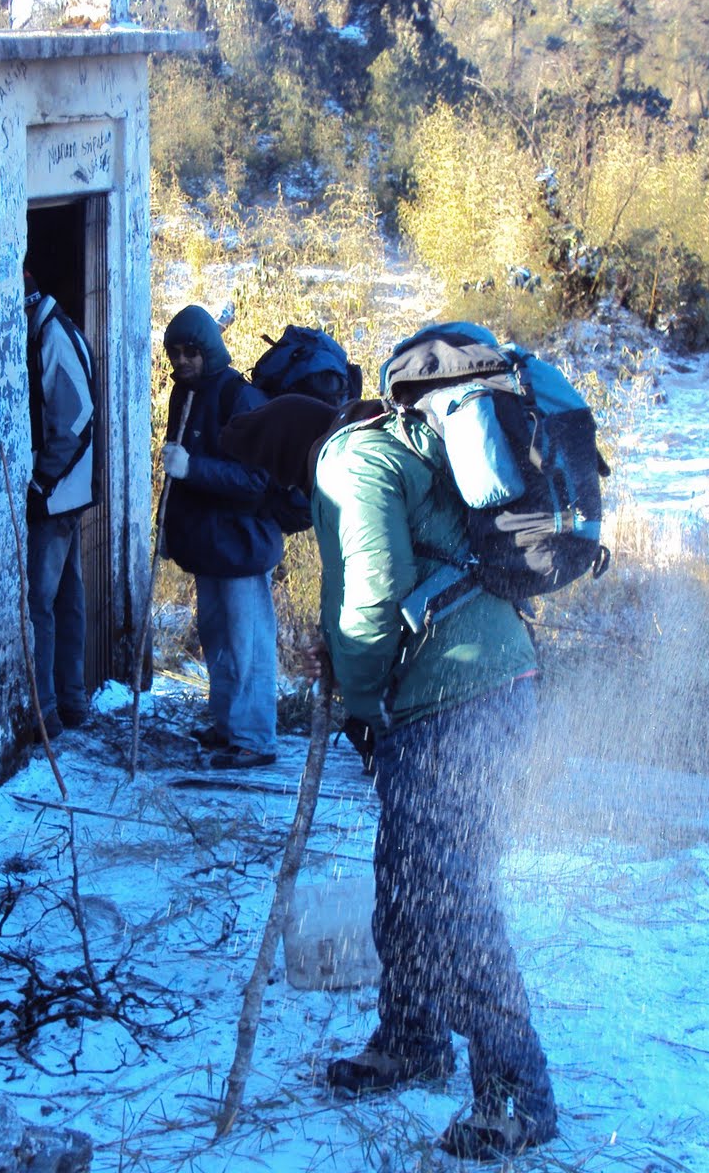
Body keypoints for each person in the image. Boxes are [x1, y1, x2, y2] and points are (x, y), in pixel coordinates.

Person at [221, 385, 560, 1160]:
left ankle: (518, 1093)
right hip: (479, 690)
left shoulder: (347, 460)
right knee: (408, 880)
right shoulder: (386, 445)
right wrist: (343, 663)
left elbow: (372, 603)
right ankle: (412, 1039)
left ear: (288, 470)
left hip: (458, 701)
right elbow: (397, 589)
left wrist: (361, 703)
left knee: (448, 898)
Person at [159, 305, 281, 770]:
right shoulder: (182, 394)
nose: (183, 359)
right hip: (208, 546)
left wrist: (194, 468)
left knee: (247, 643)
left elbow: (256, 480)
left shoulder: (239, 396)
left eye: (192, 351)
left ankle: (255, 740)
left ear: (209, 349)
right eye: (176, 352)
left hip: (242, 546)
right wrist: (166, 529)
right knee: (217, 640)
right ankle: (229, 725)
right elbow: (176, 473)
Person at [23, 269, 97, 741]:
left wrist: (42, 483)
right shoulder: (59, 328)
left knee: (41, 604)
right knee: (68, 598)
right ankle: (72, 701)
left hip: (59, 496)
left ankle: (47, 710)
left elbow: (76, 418)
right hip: (71, 492)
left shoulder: (52, 336)